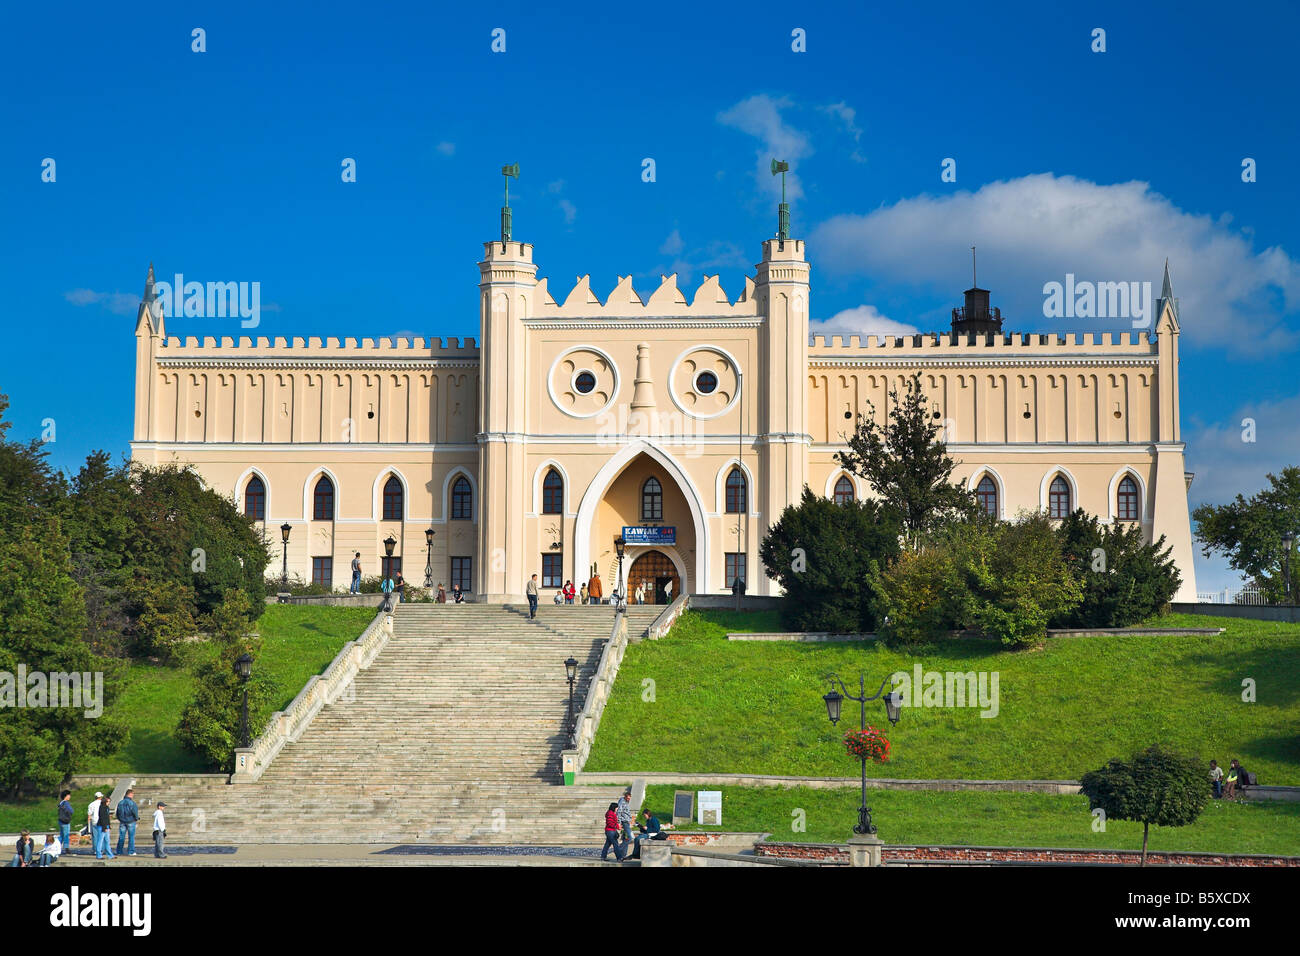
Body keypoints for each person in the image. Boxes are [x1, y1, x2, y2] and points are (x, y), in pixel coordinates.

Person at [115, 787, 140, 856]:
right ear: (130, 794)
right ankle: (131, 851)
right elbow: (135, 812)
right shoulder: (132, 803)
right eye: (133, 794)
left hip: (122, 821)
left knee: (121, 837)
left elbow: (117, 813)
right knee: (131, 837)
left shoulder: (120, 803)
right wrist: (136, 818)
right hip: (131, 821)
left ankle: (119, 851)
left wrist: (120, 819)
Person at [95, 794, 115, 860]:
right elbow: (102, 818)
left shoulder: (107, 808)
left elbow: (107, 818)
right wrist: (105, 827)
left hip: (106, 826)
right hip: (101, 826)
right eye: (108, 802)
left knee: (107, 841)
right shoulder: (102, 808)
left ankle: (110, 855)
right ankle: (98, 855)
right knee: (100, 841)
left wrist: (108, 825)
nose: (109, 803)